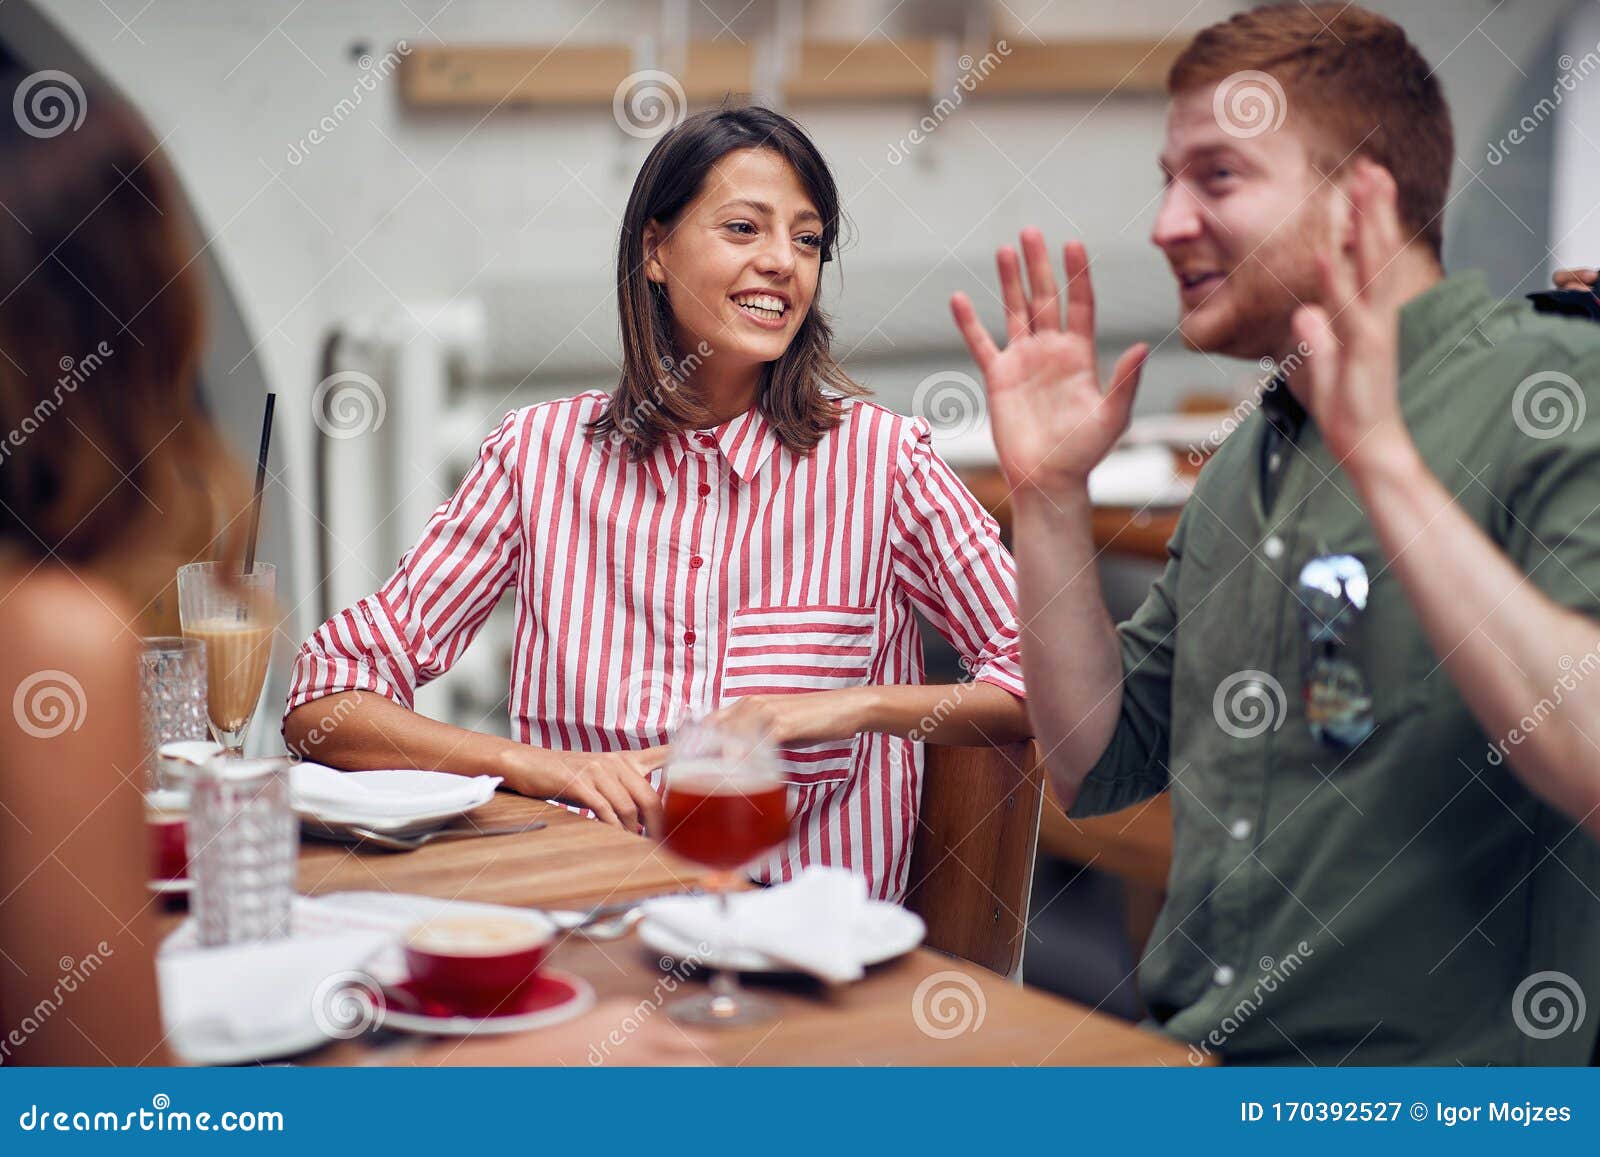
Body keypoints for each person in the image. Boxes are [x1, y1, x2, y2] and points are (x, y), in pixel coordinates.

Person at [0, 73, 696, 1067]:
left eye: (807, 238)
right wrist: (501, 1064)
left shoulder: (880, 460)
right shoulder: (47, 634)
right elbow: (119, 1119)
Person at [951, 3, 1600, 1065]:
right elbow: (1096, 761)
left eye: (1215, 177)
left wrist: (1386, 465)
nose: (1164, 223)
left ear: (1361, 198)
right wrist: (1050, 494)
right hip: (1200, 1066)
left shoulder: (1557, 386)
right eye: (1167, 179)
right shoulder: (1251, 458)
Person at [284, 106, 1029, 902]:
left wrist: (841, 709)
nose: (783, 261)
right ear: (655, 251)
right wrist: (537, 767)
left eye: (807, 239)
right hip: (587, 928)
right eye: (744, 228)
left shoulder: (883, 465)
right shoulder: (537, 457)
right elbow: (326, 692)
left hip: (793, 963)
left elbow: (1049, 683)